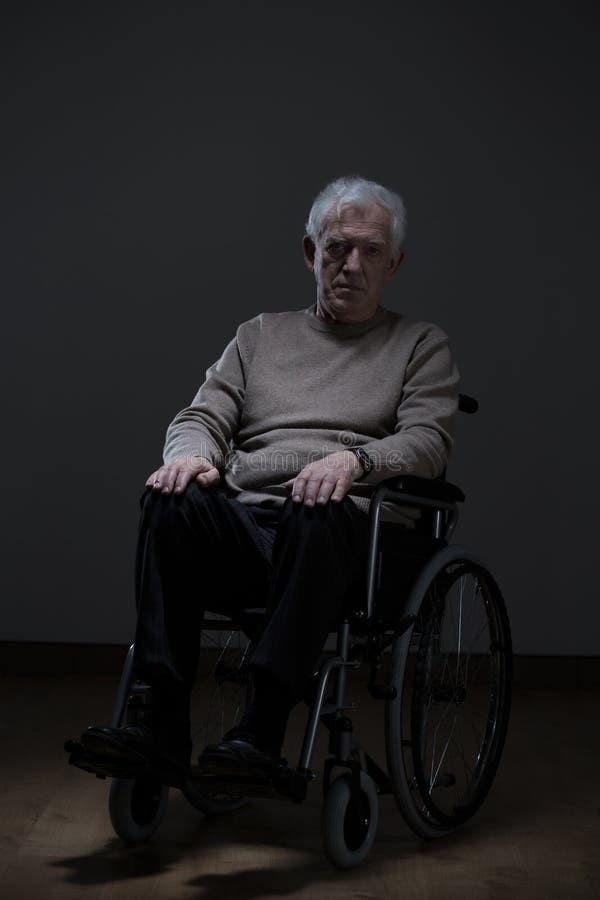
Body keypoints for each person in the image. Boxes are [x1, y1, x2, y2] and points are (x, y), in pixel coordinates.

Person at [79, 175, 460, 784]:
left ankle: (261, 727)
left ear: (395, 263)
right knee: (171, 498)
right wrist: (190, 456)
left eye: (371, 252)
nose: (351, 265)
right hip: (249, 528)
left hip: (343, 541)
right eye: (336, 247)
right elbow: (201, 415)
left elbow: (429, 440)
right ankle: (160, 722)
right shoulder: (259, 336)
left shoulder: (419, 345)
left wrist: (353, 463)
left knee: (321, 503)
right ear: (311, 252)